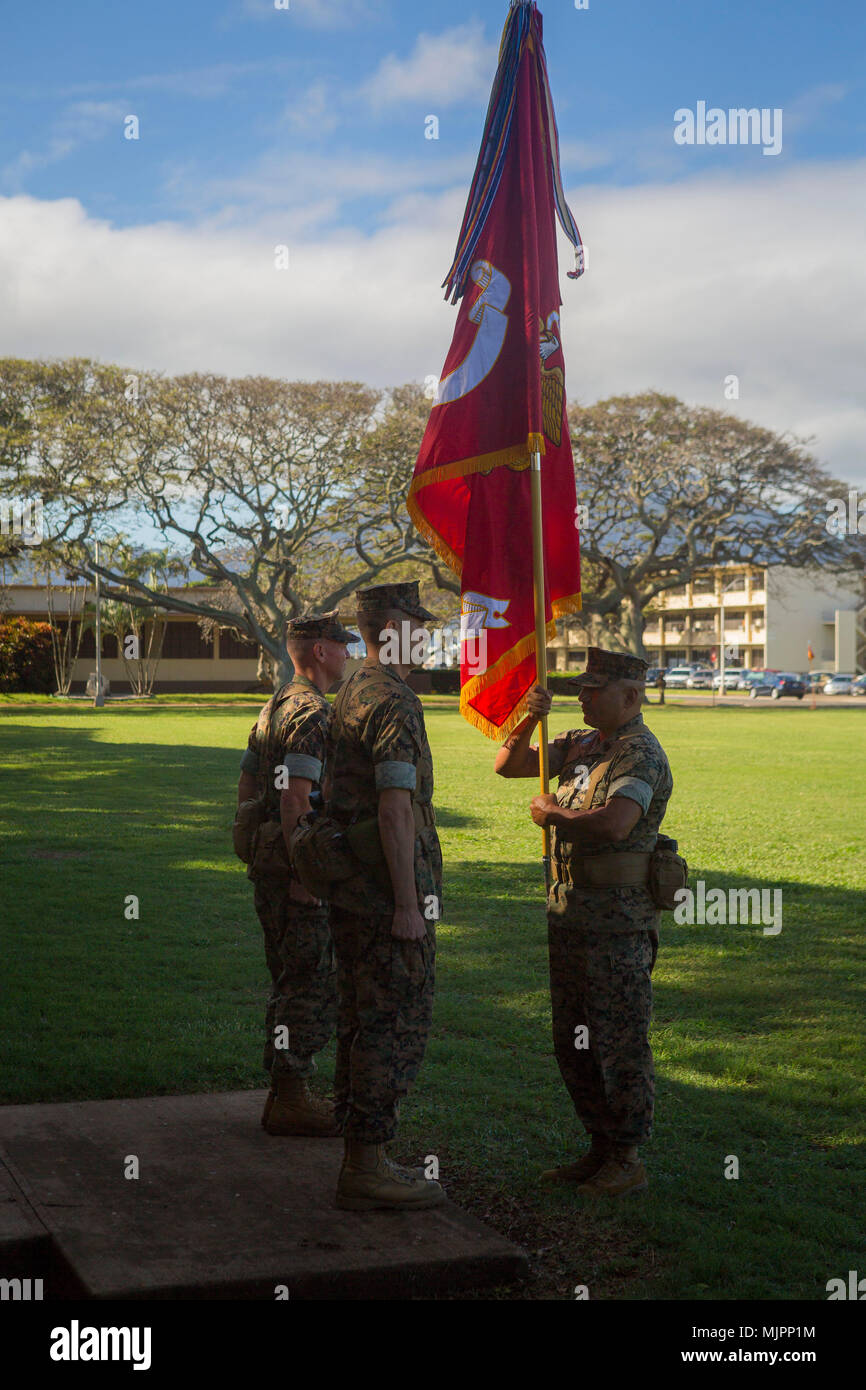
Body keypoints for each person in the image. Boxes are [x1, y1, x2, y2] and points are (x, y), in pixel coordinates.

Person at [494, 647, 673, 1197]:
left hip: (616, 922)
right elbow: (508, 764)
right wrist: (526, 716)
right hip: (570, 913)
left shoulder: (639, 753)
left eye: (595, 689)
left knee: (619, 1039)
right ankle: (598, 1145)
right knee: (574, 1039)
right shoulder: (580, 743)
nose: (583, 696)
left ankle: (626, 1157)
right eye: (581, 687)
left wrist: (555, 816)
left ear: (631, 696)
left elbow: (617, 823)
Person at [323, 581, 445, 1211]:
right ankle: (366, 1165)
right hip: (384, 891)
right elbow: (396, 812)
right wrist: (406, 906)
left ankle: (358, 1149)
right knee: (391, 1020)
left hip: (352, 886)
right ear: (393, 628)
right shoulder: (393, 701)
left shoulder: (354, 688)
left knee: (359, 1012)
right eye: (417, 624)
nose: (426, 634)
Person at [237, 611, 356, 1136]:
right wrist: (304, 872)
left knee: (289, 977)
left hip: (269, 860)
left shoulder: (275, 704)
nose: (349, 654)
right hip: (293, 869)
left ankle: (285, 1091)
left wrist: (258, 846)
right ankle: (290, 1095)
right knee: (310, 982)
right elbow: (295, 797)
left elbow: (247, 784)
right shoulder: (311, 713)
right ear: (320, 651)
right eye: (342, 644)